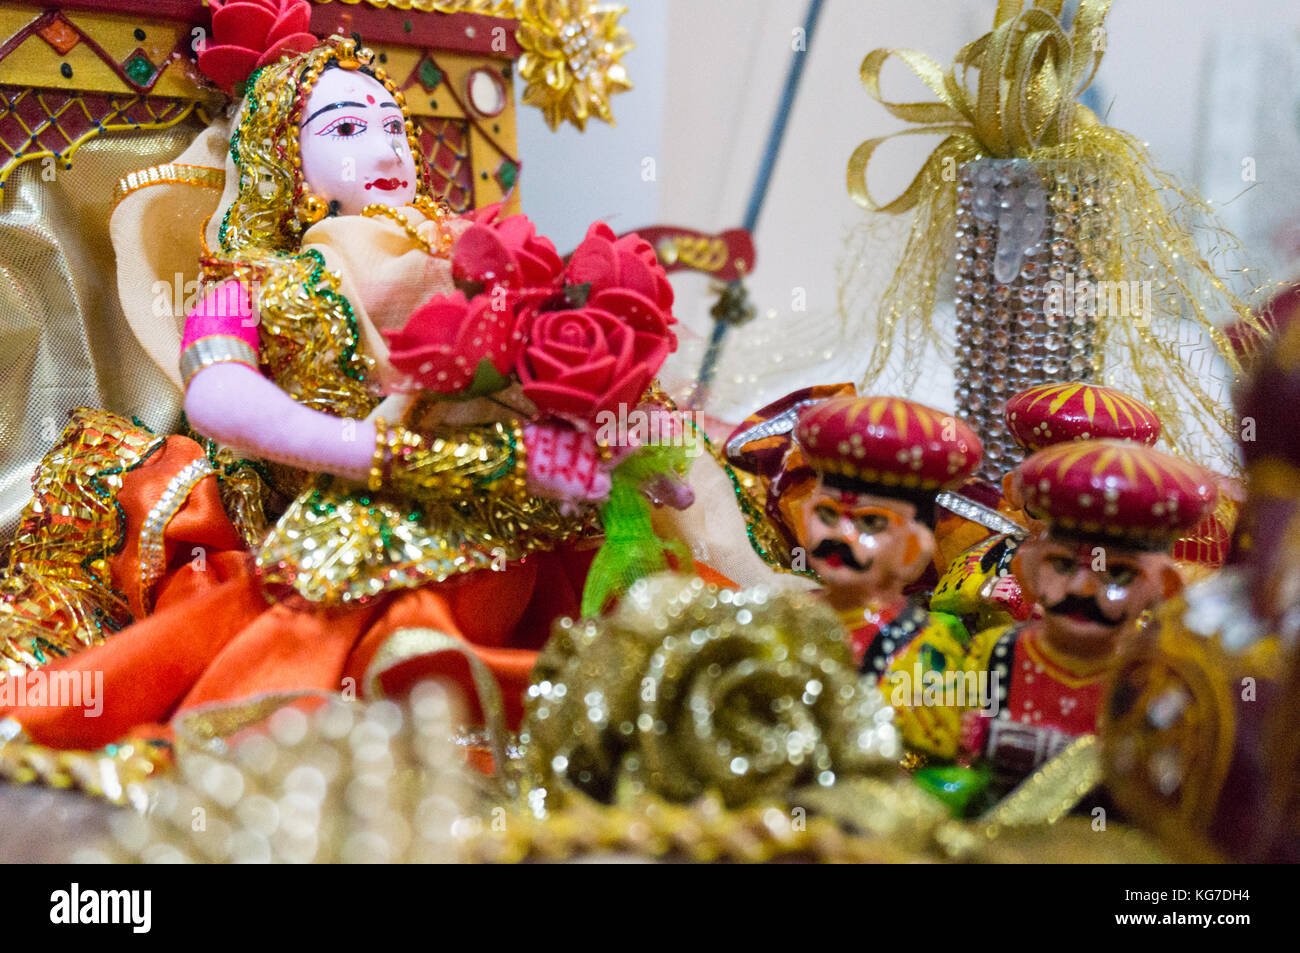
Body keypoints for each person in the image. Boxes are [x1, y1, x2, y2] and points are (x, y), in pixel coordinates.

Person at [0, 36, 725, 753]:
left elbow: (568, 353)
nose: (385, 151)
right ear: (286, 158)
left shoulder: (474, 250)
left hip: (528, 538)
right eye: (346, 128)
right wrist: (363, 449)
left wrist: (629, 433)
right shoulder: (255, 282)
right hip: (363, 532)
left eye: (393, 129)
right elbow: (218, 392)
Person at [962, 438, 1213, 788]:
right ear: (1027, 570)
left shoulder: (1155, 681)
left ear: (1165, 588)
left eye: (1118, 574)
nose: (1082, 589)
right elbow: (955, 748)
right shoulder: (995, 653)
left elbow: (1160, 782)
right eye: (1062, 565)